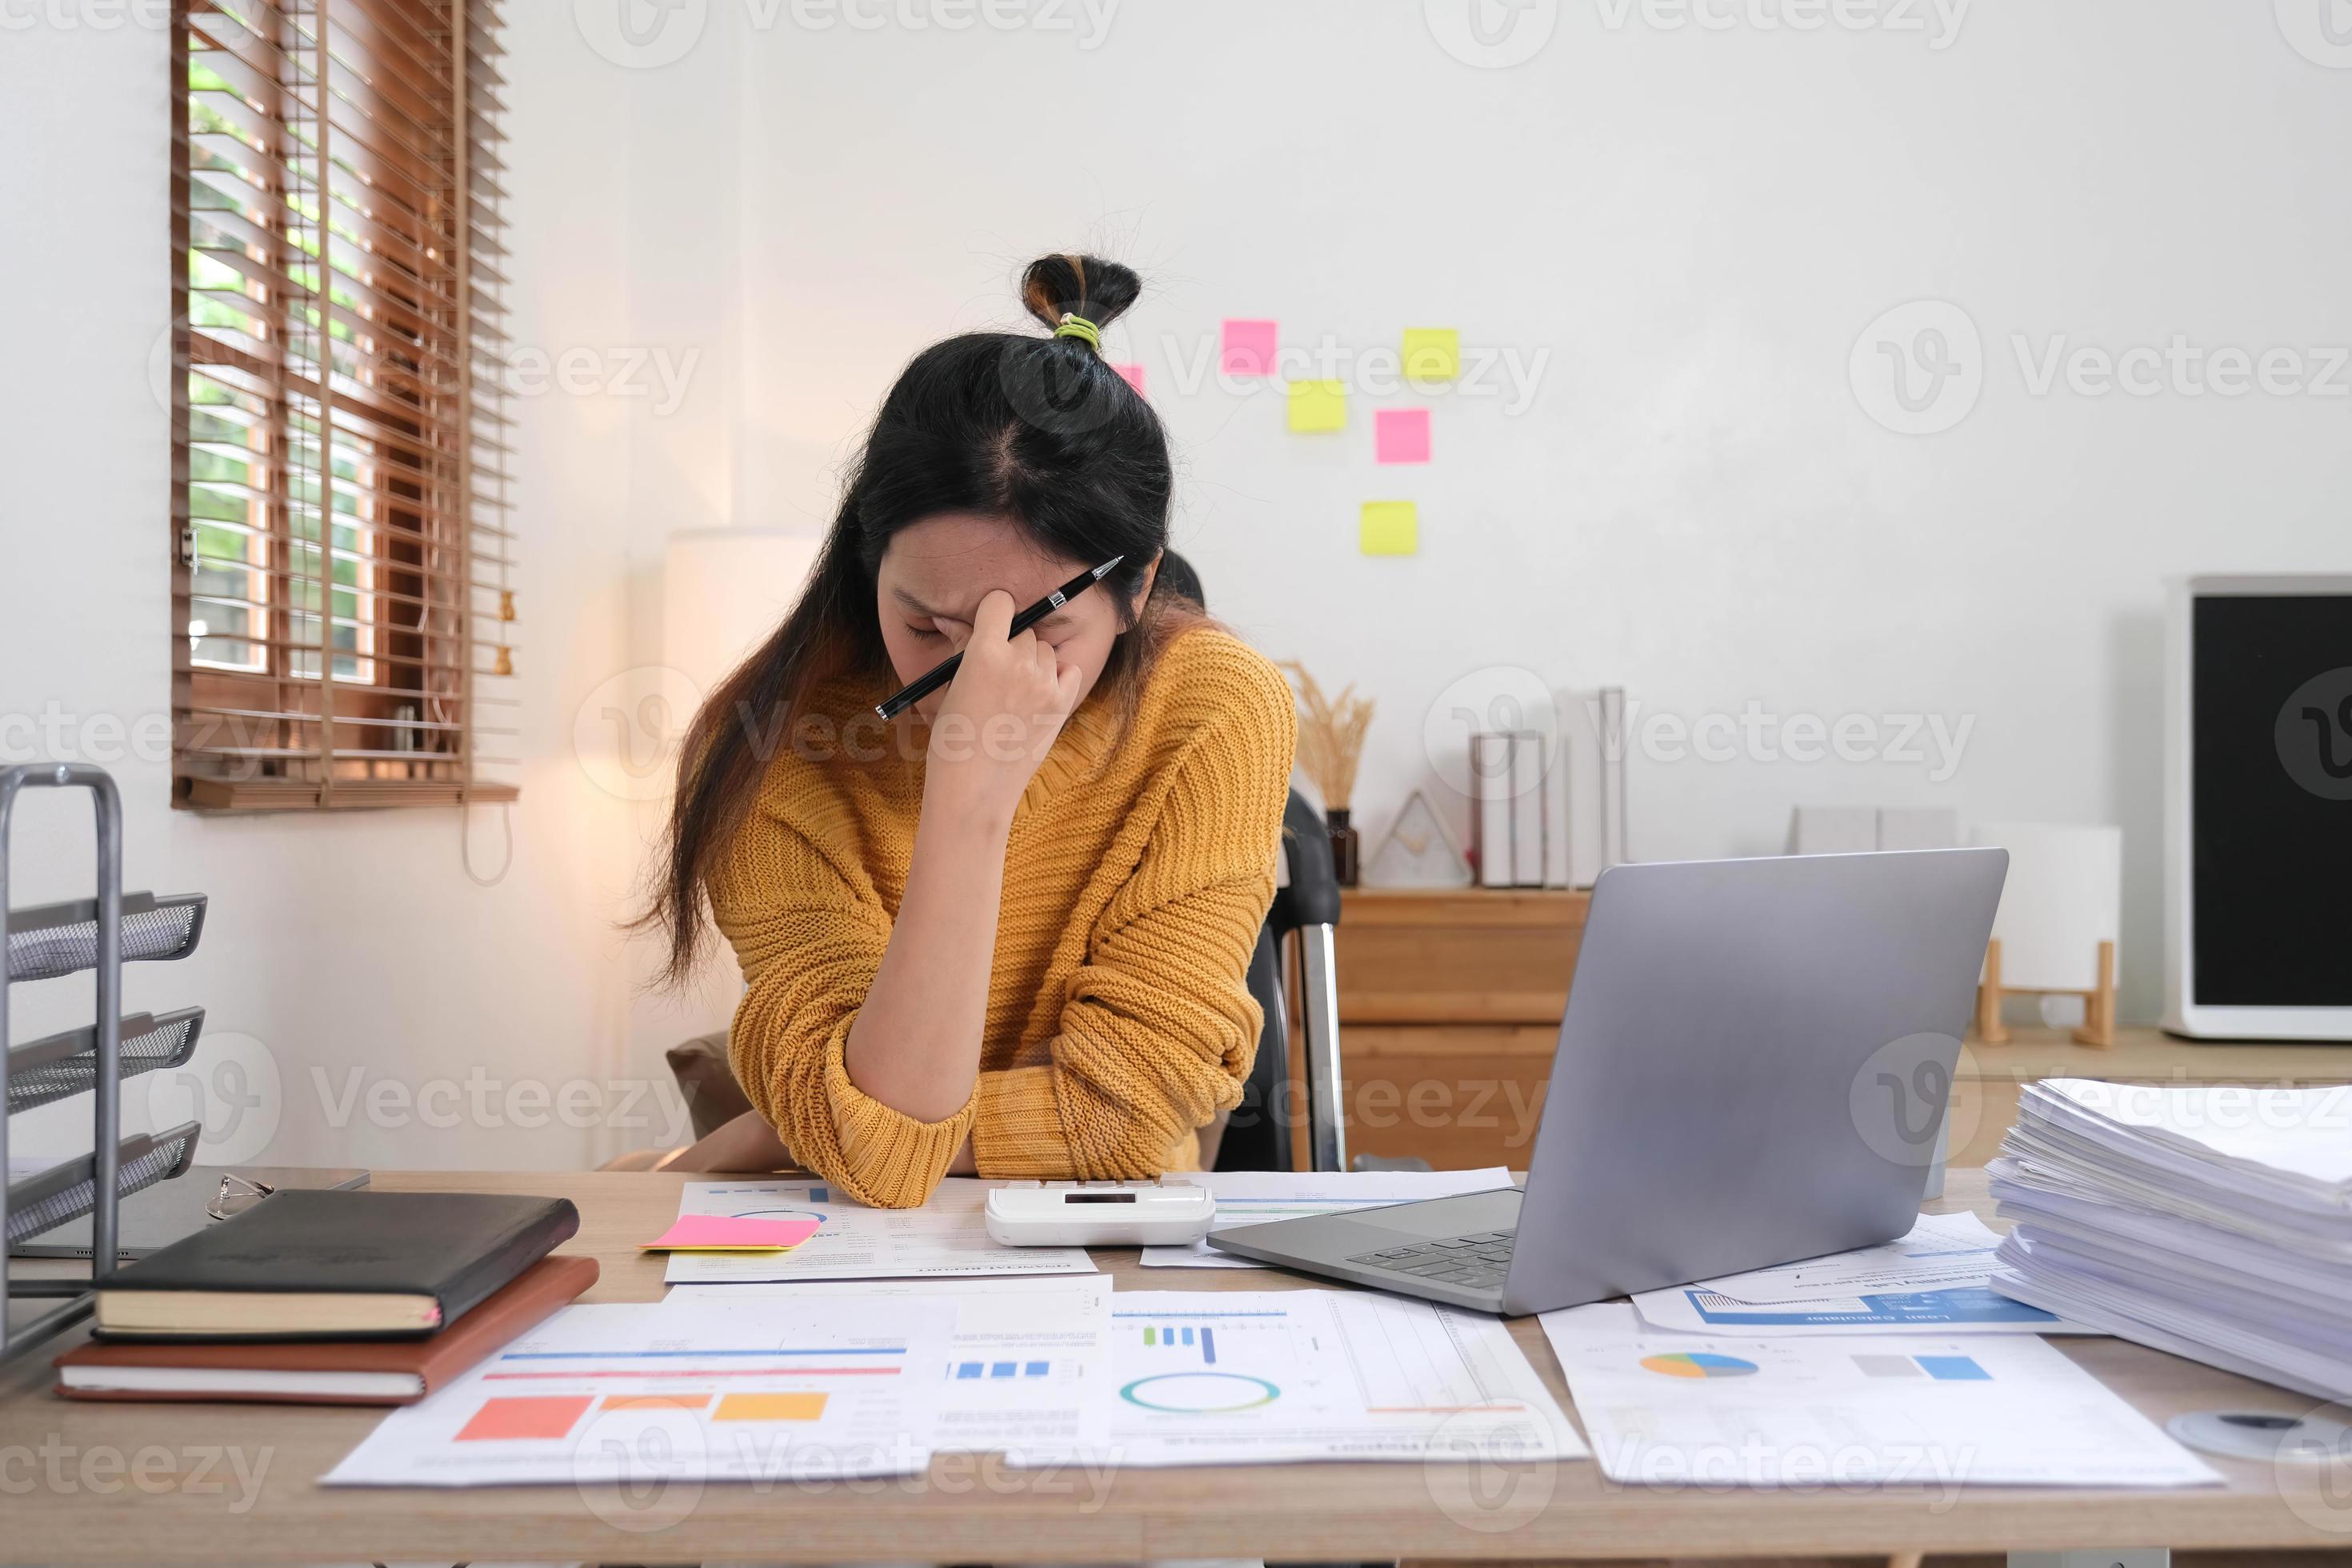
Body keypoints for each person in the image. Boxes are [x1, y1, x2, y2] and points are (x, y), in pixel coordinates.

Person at [643, 254, 1297, 1208]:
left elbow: (1131, 1121)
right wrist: (969, 802)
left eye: (1040, 632)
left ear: (1141, 584)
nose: (976, 683)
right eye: (927, 629)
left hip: (1098, 1258)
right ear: (869, 564)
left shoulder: (1215, 706)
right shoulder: (767, 748)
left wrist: (789, 1130)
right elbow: (884, 1159)